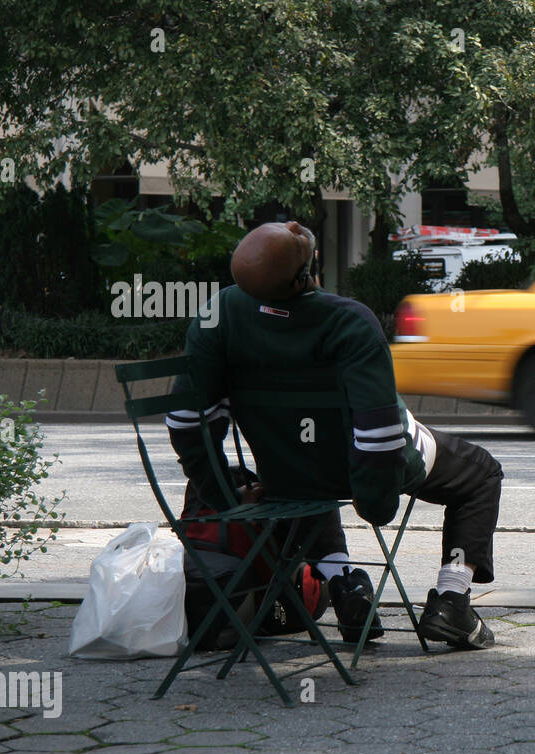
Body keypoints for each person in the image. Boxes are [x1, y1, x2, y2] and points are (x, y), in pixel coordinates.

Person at [167, 221, 503, 651]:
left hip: (286, 474)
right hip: (362, 468)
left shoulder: (217, 316)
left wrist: (221, 497)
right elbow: (380, 438)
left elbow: (186, 422)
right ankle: (453, 600)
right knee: (481, 473)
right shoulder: (349, 321)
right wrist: (375, 503)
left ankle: (344, 581)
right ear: (304, 276)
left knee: (307, 474)